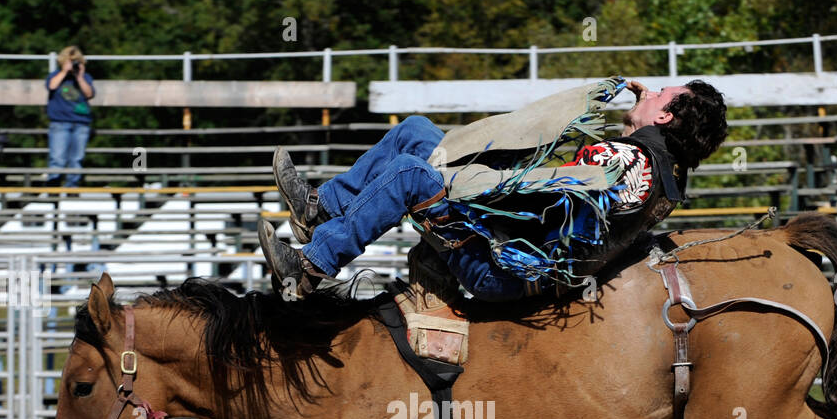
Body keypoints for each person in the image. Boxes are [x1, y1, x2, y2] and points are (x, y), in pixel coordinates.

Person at [261, 76, 727, 300]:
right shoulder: (663, 174)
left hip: (500, 263)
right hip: (511, 247)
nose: (654, 89)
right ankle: (322, 213)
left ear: (665, 117)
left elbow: (529, 203)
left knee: (411, 171)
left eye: (664, 93)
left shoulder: (619, 160)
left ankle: (310, 269)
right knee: (418, 133)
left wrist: (471, 174)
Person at [45, 45, 96, 188]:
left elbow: (89, 94)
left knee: (77, 159)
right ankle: (53, 188)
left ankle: (72, 187)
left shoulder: (85, 77)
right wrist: (63, 71)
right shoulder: (55, 75)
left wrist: (79, 77)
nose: (73, 64)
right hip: (59, 122)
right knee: (57, 159)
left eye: (75, 61)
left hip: (81, 123)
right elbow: (52, 86)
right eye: (70, 61)